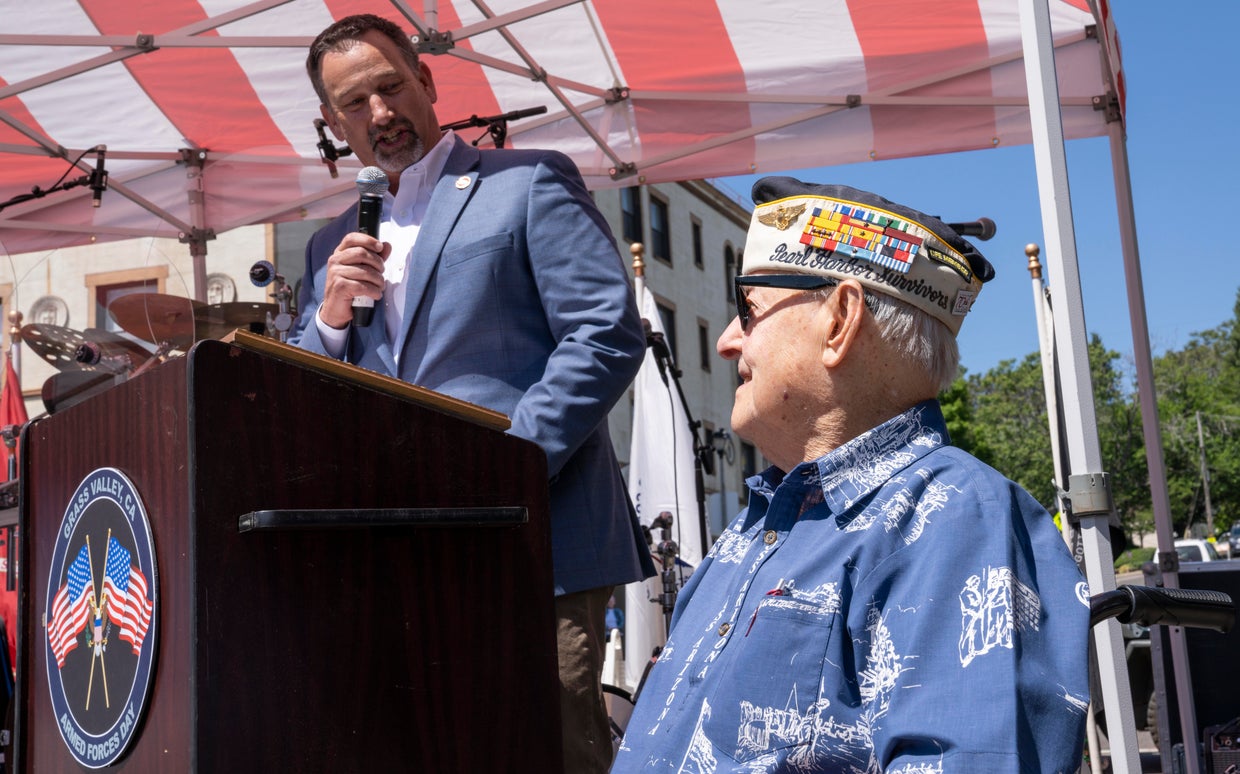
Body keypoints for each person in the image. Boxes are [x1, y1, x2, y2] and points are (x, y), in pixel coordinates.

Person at [613, 178, 1090, 772]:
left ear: (840, 319)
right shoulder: (757, 527)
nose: (730, 342)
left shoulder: (954, 517)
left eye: (748, 310)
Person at [293, 14, 654, 773]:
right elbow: (304, 393)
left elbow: (604, 334)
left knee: (546, 749)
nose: (380, 114)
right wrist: (327, 321)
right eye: (355, 104)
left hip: (535, 538)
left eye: (392, 87)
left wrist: (506, 469)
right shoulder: (328, 247)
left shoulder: (528, 181)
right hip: (399, 554)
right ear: (333, 123)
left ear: (426, 82)